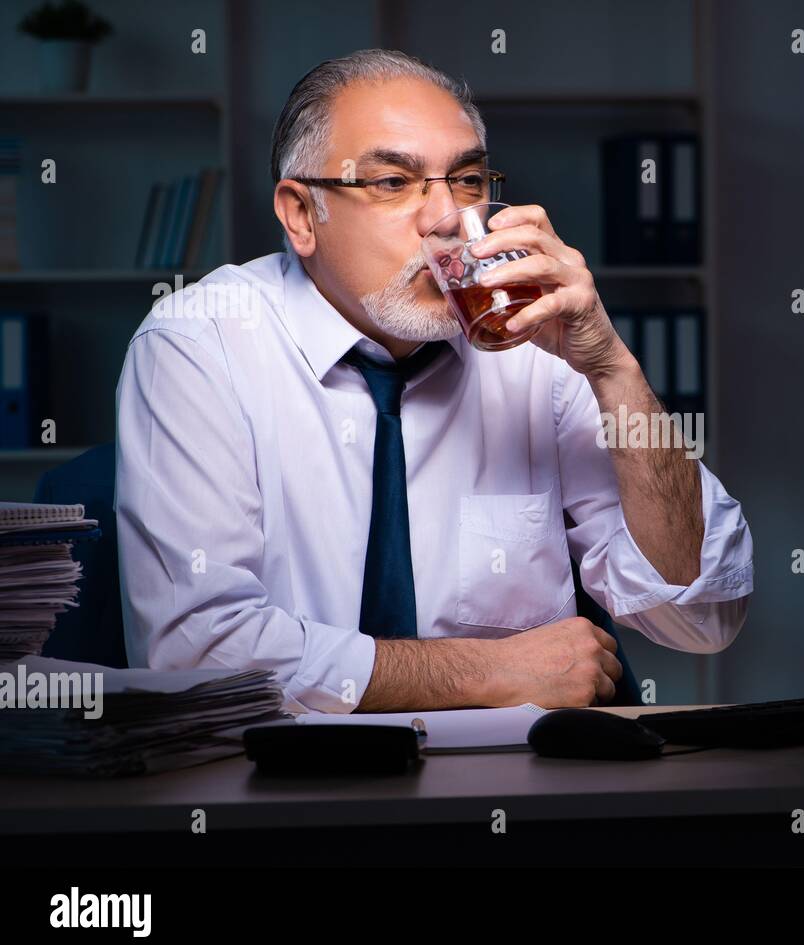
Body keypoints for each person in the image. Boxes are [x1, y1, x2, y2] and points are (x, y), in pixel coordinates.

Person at [115, 49, 753, 713]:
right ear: (302, 214)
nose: (443, 222)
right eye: (393, 183)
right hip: (284, 792)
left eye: (469, 181)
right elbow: (194, 653)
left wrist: (613, 369)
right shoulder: (200, 343)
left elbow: (702, 614)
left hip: (520, 788)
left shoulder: (531, 342)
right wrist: (489, 671)